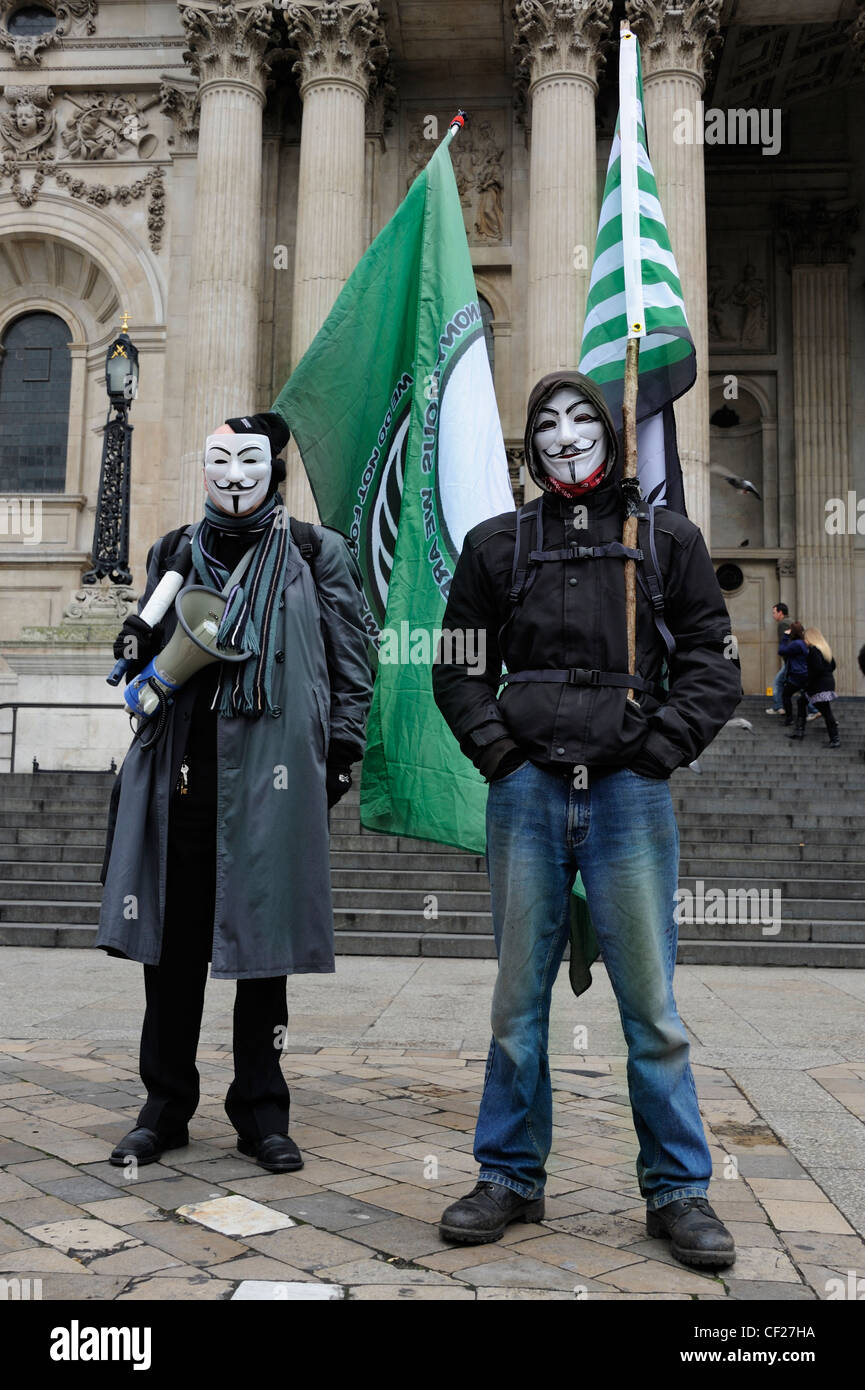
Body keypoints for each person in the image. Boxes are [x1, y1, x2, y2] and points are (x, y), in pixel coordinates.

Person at [432, 370, 742, 1269]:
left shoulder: (667, 541)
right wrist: (499, 753)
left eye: (579, 421)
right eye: (544, 424)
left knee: (652, 1008)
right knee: (514, 1003)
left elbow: (714, 667)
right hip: (526, 793)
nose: (564, 437)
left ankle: (678, 1191)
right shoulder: (495, 546)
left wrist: (657, 750)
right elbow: (455, 666)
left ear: (608, 435)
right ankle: (508, 1176)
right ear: (529, 445)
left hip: (627, 794)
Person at [97, 412, 373, 1173]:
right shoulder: (173, 550)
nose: (233, 478)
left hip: (271, 779)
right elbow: (152, 638)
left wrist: (341, 748)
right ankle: (164, 1107)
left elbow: (352, 657)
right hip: (180, 775)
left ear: (273, 470)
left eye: (248, 463)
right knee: (172, 953)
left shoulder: (319, 554)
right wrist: (133, 643)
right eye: (219, 463)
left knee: (265, 951)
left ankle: (261, 1111)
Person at [801, 628, 840, 748]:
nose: (804, 641)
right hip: (827, 683)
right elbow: (833, 665)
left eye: (805, 638)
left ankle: (835, 738)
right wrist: (825, 673)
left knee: (826, 711)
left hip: (818, 685)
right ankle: (799, 730)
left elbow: (816, 669)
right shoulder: (824, 649)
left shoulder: (813, 650)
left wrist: (808, 682)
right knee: (802, 701)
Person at [780, 621, 810, 737]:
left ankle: (789, 718)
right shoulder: (803, 643)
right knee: (804, 699)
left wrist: (785, 636)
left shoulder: (796, 644)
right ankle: (800, 724)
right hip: (804, 674)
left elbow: (781, 650)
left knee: (786, 694)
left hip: (797, 675)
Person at [765, 602, 789, 715]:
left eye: (774, 613)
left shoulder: (783, 624)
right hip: (795, 660)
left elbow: (784, 643)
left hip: (790, 661)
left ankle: (778, 706)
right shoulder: (792, 622)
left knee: (777, 682)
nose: (773, 615)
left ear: (780, 613)